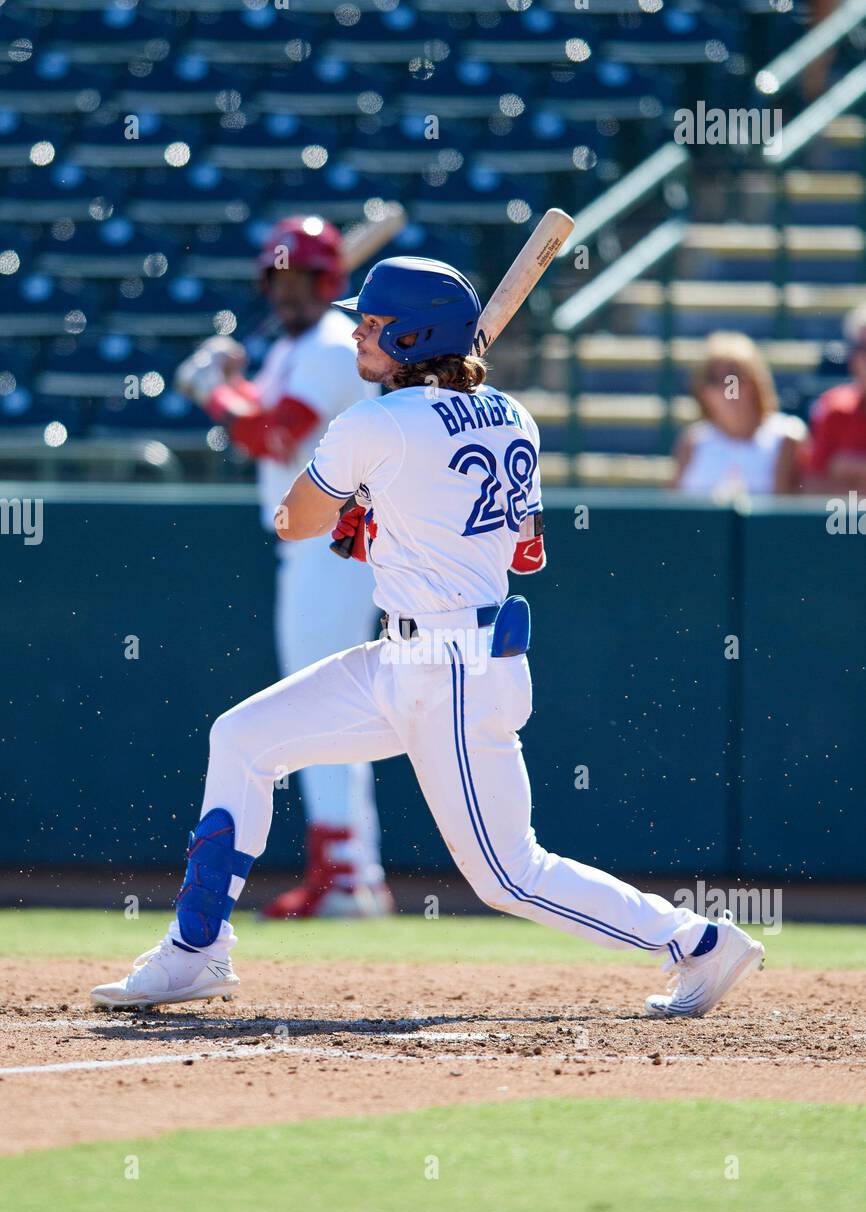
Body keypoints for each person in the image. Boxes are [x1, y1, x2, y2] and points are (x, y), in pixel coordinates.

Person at [93, 257, 765, 1019]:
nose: (358, 334)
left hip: (450, 668)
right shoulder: (516, 416)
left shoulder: (372, 425)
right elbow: (526, 551)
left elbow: (293, 521)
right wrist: (382, 518)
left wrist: (357, 511)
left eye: (375, 324)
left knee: (508, 875)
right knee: (242, 738)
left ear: (416, 333)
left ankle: (699, 943)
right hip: (414, 657)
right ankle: (195, 951)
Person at [174, 215, 392, 918]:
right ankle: (350, 867)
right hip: (317, 544)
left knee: (322, 705)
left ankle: (348, 872)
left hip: (332, 544)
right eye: (280, 279)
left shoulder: (331, 344)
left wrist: (210, 389)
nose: (289, 292)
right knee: (331, 706)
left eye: (303, 279)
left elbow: (271, 432)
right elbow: (262, 416)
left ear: (328, 282)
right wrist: (233, 379)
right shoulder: (300, 348)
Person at [673, 332, 806, 497]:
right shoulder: (692, 442)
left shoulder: (786, 437)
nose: (727, 389)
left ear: (755, 382)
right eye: (713, 379)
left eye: (733, 377)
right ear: (702, 391)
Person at [804, 303, 866, 493]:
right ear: (853, 357)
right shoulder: (833, 408)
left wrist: (853, 469)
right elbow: (812, 488)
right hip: (845, 523)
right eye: (864, 347)